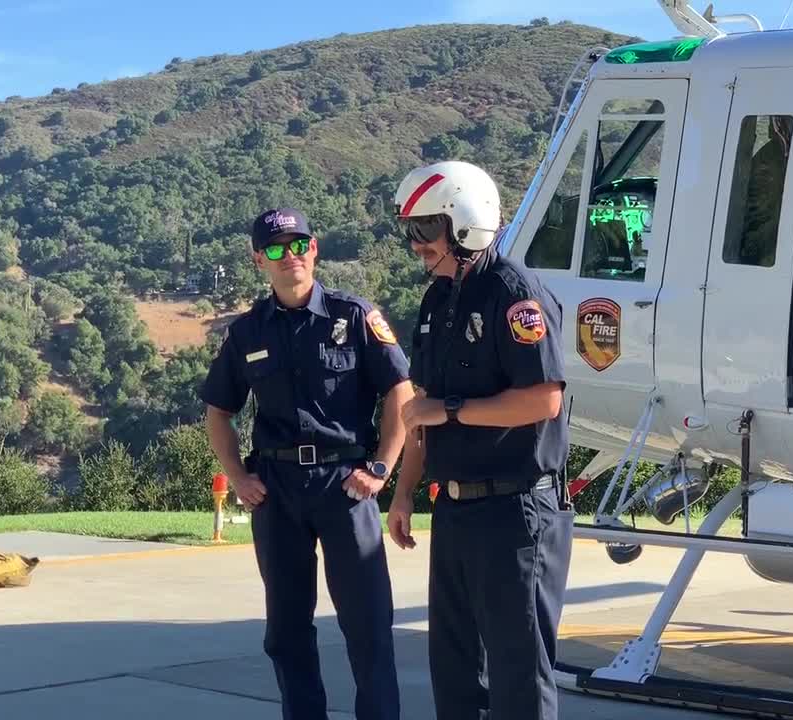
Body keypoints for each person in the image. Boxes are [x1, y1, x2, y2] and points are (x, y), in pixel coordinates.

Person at [200, 207, 412, 720]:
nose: (289, 256)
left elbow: (400, 391)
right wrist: (238, 476)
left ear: (314, 249)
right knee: (287, 631)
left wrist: (382, 468)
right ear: (259, 260)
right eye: (275, 248)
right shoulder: (247, 332)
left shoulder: (354, 317)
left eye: (299, 245)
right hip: (276, 490)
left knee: (368, 625)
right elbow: (218, 412)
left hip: (346, 486)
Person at [385, 160, 574, 720]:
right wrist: (403, 493)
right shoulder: (437, 301)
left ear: (464, 223)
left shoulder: (514, 295)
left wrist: (451, 410)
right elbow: (420, 411)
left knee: (519, 676)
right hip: (455, 511)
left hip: (515, 512)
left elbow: (543, 400)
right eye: (410, 229)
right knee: (454, 670)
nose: (416, 244)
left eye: (426, 228)